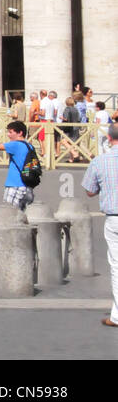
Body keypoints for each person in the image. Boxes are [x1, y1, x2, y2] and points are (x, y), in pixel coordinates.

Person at [83, 123, 118, 327]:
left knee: (116, 266)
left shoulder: (100, 161)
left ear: (109, 138)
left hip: (114, 218)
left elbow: (89, 190)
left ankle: (116, 315)